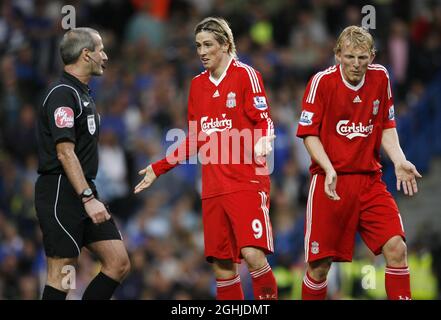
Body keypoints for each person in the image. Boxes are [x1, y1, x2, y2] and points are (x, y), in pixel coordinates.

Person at [134, 17, 278, 300]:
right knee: (223, 268)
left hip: (245, 181)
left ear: (225, 45)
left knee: (252, 254)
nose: (201, 51)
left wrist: (263, 139)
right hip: (212, 188)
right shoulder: (197, 85)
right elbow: (195, 138)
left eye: (208, 44)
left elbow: (265, 121)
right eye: (198, 45)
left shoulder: (246, 75)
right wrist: (158, 167)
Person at [296, 25, 422, 300]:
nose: (356, 64)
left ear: (372, 56)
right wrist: (328, 167)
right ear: (338, 54)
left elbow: (386, 124)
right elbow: (308, 134)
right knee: (319, 267)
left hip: (369, 181)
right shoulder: (322, 82)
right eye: (350, 57)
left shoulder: (381, 78)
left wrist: (399, 159)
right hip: (331, 183)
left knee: (397, 248)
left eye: (363, 58)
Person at [35, 27, 130, 300]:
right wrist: (87, 197)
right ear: (86, 54)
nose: (106, 56)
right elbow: (65, 153)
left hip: (83, 190)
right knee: (62, 274)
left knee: (118, 262)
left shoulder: (83, 94)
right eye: (101, 50)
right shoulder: (62, 94)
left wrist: (88, 194)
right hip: (61, 191)